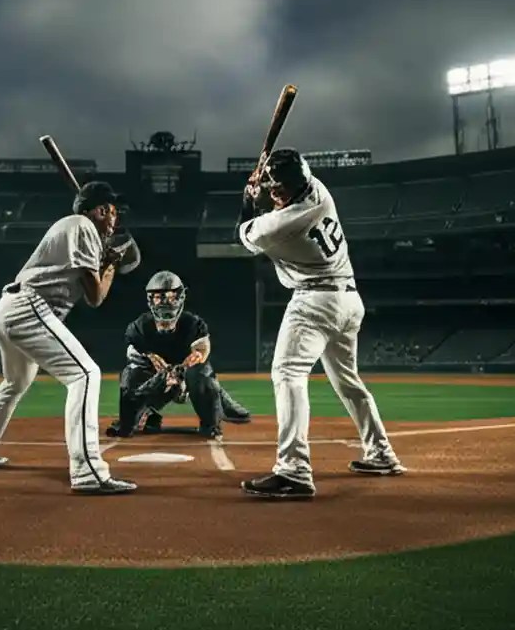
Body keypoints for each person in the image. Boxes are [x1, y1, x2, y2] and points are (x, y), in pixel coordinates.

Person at [234, 148, 406, 499]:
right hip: (349, 300)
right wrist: (265, 185)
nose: (273, 193)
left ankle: (294, 470)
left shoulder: (280, 225)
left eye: (277, 188)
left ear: (287, 188)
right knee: (348, 382)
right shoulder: (318, 189)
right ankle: (381, 452)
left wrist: (249, 199)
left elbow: (243, 234)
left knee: (287, 374)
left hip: (314, 302)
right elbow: (282, 195)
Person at [0, 180, 138, 495]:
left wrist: (105, 262)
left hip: (8, 308)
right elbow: (96, 296)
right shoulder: (82, 225)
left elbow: (95, 296)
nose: (115, 219)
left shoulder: (79, 229)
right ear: (99, 210)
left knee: (14, 384)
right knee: (85, 374)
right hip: (28, 307)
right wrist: (110, 264)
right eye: (112, 212)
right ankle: (87, 473)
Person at [105, 270, 252, 440]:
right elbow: (134, 359)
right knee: (130, 374)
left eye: (171, 296)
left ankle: (211, 421)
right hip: (155, 382)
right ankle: (137, 418)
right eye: (160, 296)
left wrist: (187, 366)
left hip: (186, 377)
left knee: (202, 372)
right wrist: (154, 364)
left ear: (180, 297)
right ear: (151, 299)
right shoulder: (139, 327)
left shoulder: (193, 324)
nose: (166, 302)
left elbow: (201, 352)